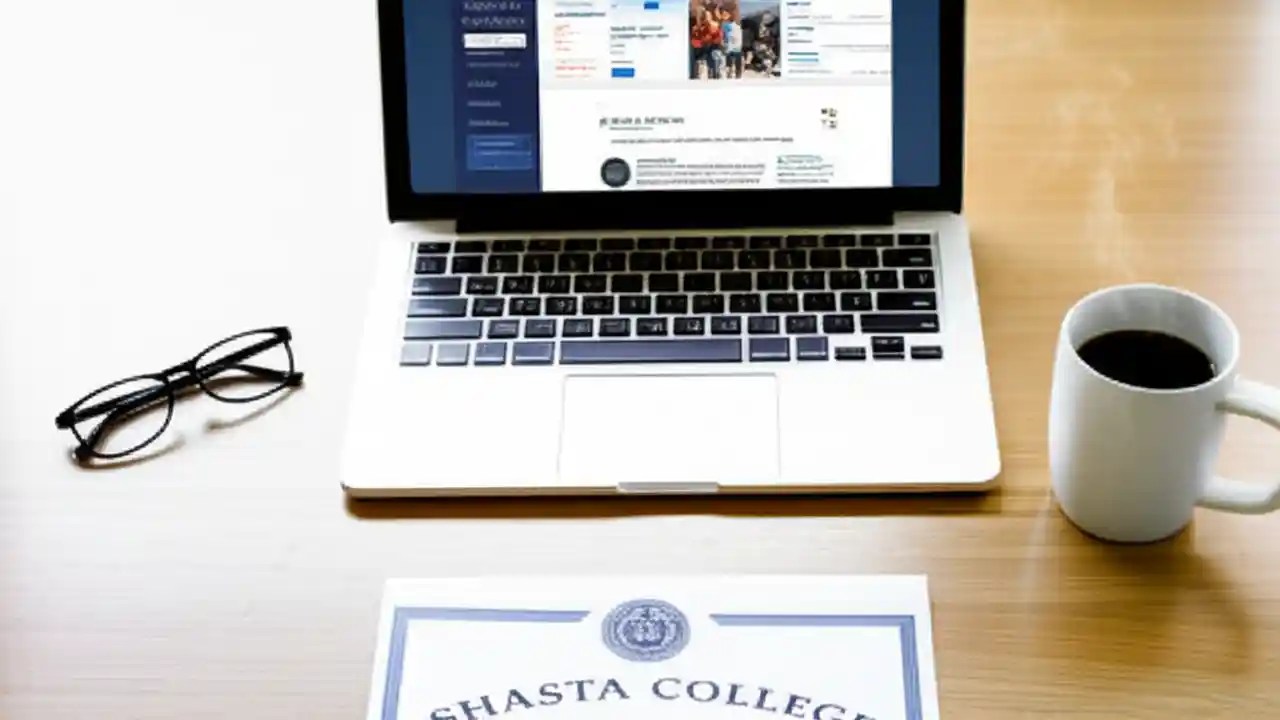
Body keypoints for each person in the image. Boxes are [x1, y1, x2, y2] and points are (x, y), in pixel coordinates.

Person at [721, 9, 742, 79]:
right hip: (729, 45)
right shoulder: (724, 25)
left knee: (737, 60)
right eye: (723, 15)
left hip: (736, 45)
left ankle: (737, 74)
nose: (724, 16)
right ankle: (729, 74)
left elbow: (738, 34)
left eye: (726, 14)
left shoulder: (735, 24)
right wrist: (723, 42)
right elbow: (723, 35)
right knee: (729, 61)